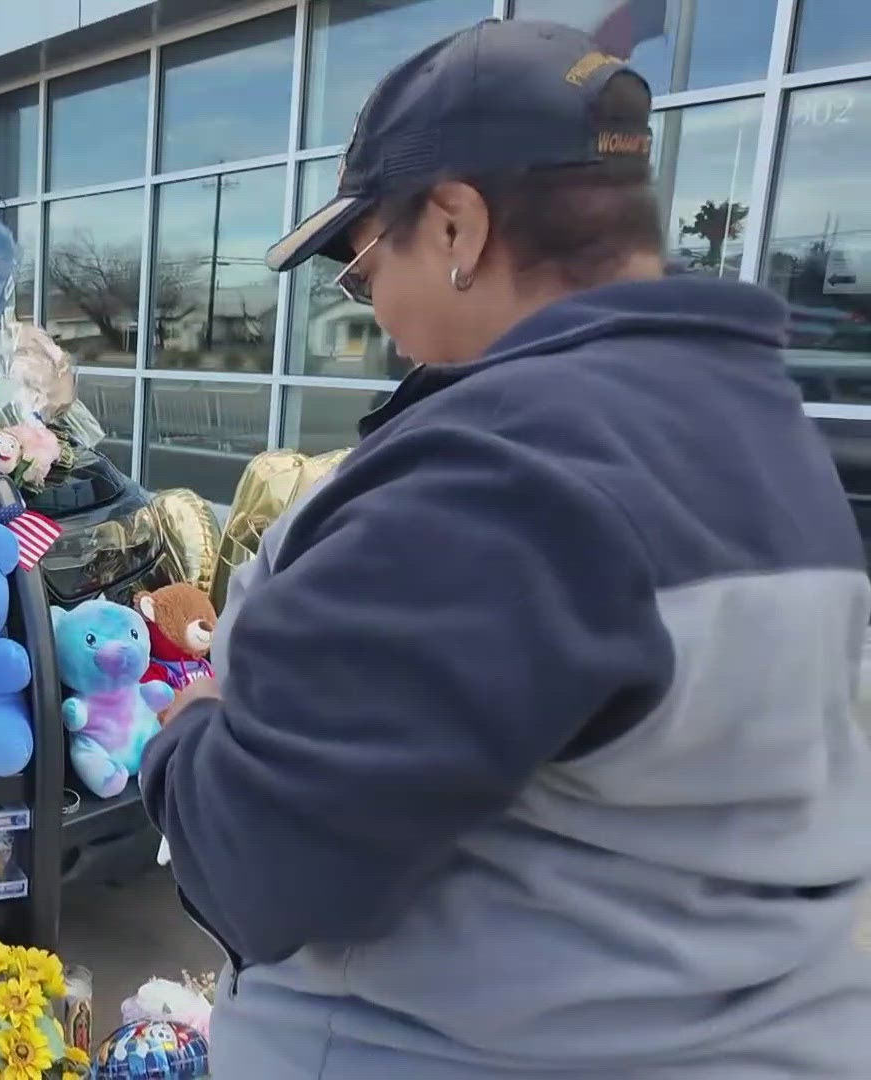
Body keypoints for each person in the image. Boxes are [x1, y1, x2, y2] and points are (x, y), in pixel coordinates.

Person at [142, 17, 871, 1080]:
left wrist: (193, 730)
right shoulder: (762, 434)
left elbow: (256, 868)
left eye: (363, 266)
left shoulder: (498, 479)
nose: (374, 311)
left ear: (456, 226)